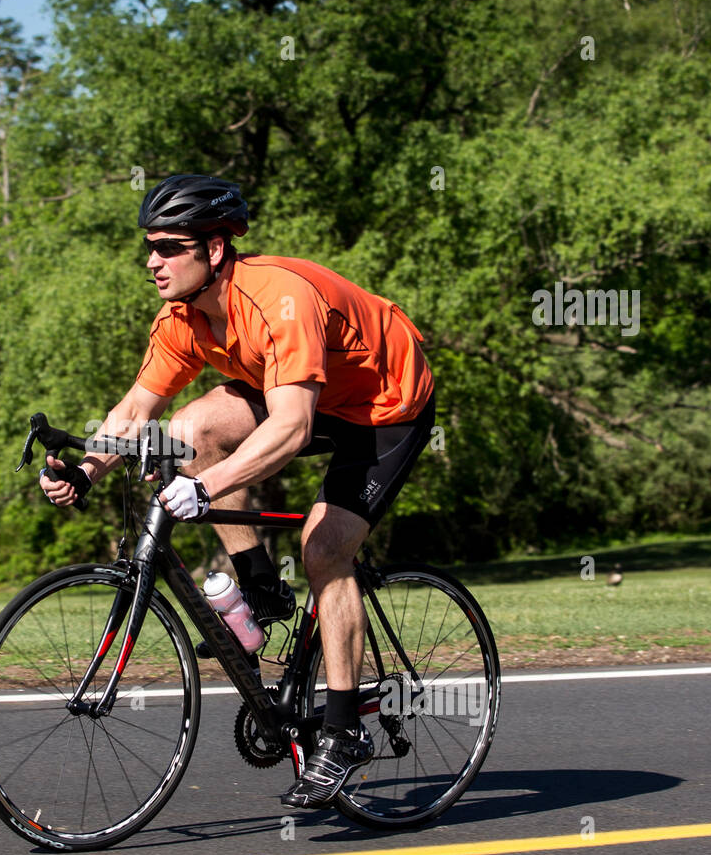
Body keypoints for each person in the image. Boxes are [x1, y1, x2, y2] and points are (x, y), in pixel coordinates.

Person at [39, 174, 436, 809]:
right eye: (149, 246)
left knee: (324, 547)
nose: (151, 261)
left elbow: (293, 427)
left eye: (169, 247)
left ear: (215, 250)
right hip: (307, 392)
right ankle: (260, 588)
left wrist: (205, 487)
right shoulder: (181, 318)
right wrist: (87, 470)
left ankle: (343, 730)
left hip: (384, 403)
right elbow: (136, 409)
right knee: (188, 429)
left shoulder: (280, 299)